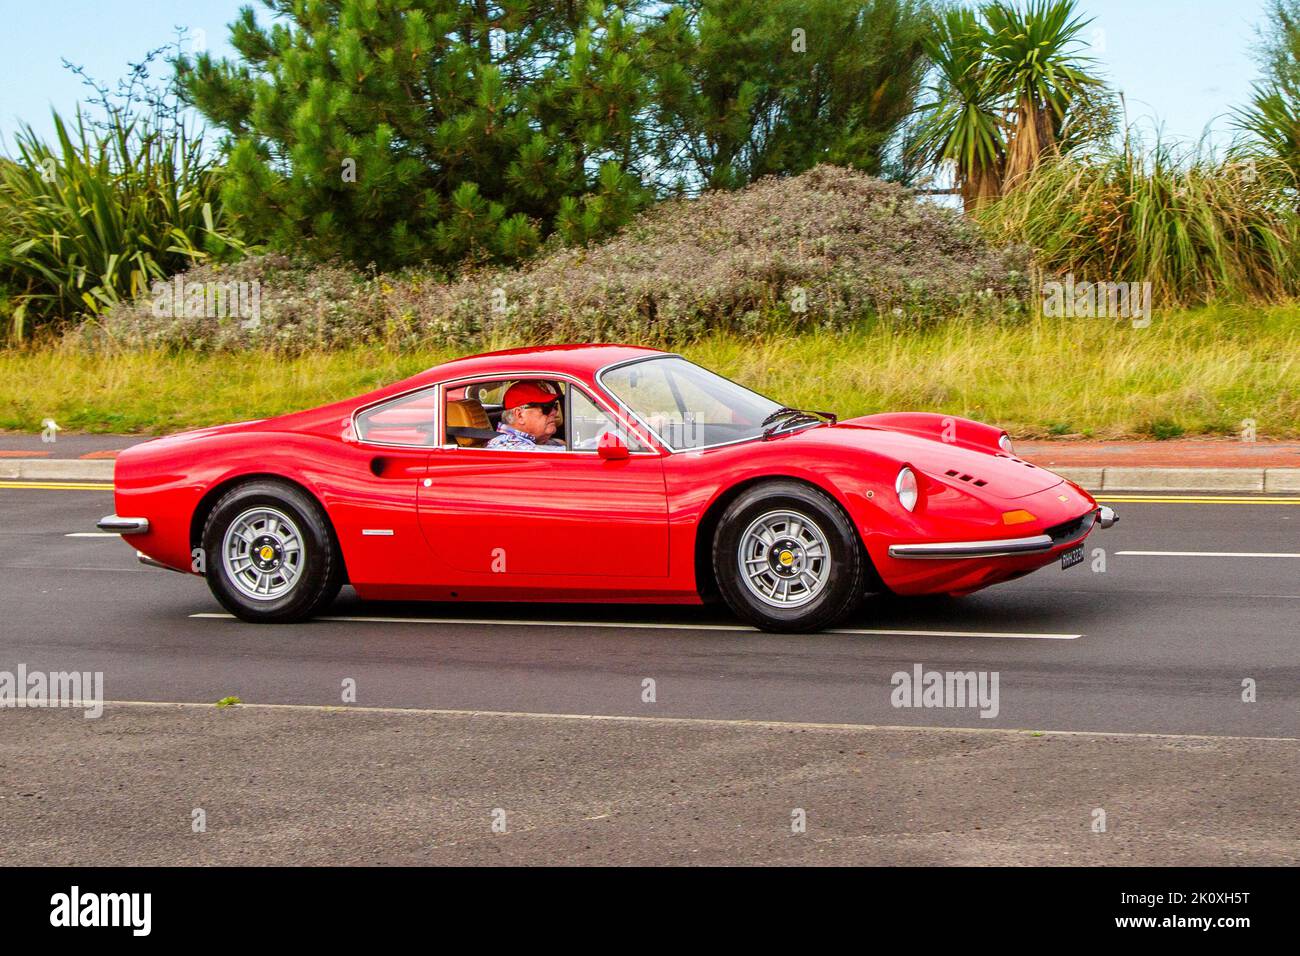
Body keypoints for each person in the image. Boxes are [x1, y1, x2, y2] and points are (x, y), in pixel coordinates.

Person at [485, 381, 566, 451]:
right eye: (546, 407)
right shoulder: (507, 447)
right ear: (520, 415)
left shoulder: (536, 441)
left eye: (554, 406)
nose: (554, 412)